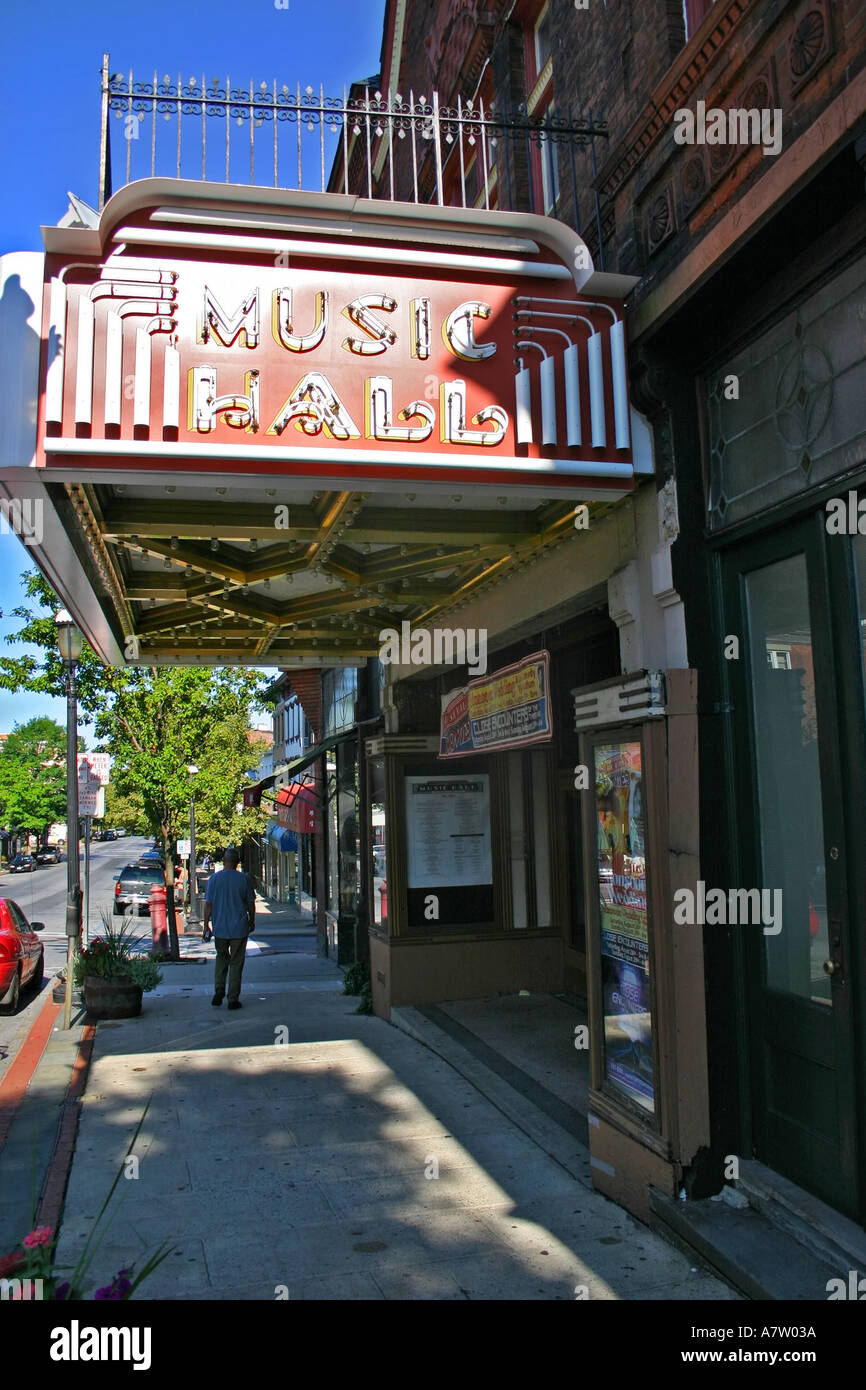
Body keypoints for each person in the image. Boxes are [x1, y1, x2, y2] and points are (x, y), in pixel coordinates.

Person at [202, 848, 256, 1010]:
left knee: (221, 958)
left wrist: (206, 925)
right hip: (239, 927)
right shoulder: (244, 879)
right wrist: (252, 921)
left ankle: (219, 988)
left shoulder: (214, 879)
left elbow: (208, 905)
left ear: (224, 861)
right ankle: (233, 998)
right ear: (238, 863)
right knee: (236, 963)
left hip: (220, 927)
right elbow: (250, 904)